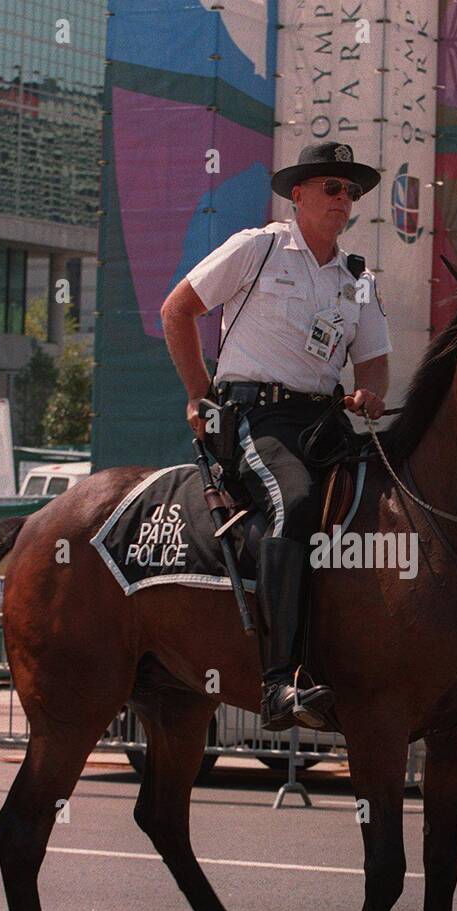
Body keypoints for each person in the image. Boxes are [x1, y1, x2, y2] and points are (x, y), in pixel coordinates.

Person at [160, 141, 391, 730]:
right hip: (257, 419)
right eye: (333, 188)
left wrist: (370, 391)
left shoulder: (358, 278)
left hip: (326, 421)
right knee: (296, 503)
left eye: (352, 191)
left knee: (392, 501)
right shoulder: (257, 248)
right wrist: (199, 393)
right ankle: (278, 683)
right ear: (299, 195)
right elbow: (176, 311)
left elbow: (375, 358)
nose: (345, 199)